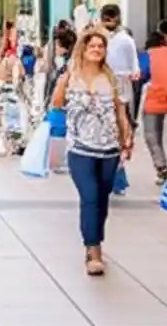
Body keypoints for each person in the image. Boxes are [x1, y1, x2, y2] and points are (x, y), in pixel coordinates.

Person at [50, 29, 133, 275]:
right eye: (92, 46)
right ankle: (93, 250)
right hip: (80, 149)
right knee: (90, 195)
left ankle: (95, 239)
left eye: (100, 46)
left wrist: (126, 137)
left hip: (109, 149)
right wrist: (63, 82)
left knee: (102, 199)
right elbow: (56, 103)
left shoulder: (111, 78)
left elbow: (120, 112)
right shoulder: (71, 76)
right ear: (83, 50)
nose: (97, 50)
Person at [139, 22, 167, 187]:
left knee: (151, 135)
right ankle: (161, 165)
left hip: (151, 99)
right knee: (157, 134)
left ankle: (161, 166)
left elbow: (141, 75)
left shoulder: (150, 54)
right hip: (164, 99)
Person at [98, 4, 138, 122]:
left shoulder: (126, 38)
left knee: (123, 117)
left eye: (112, 16)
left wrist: (133, 72)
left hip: (121, 84)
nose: (110, 20)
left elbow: (133, 62)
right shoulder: (96, 37)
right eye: (107, 17)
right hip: (102, 84)